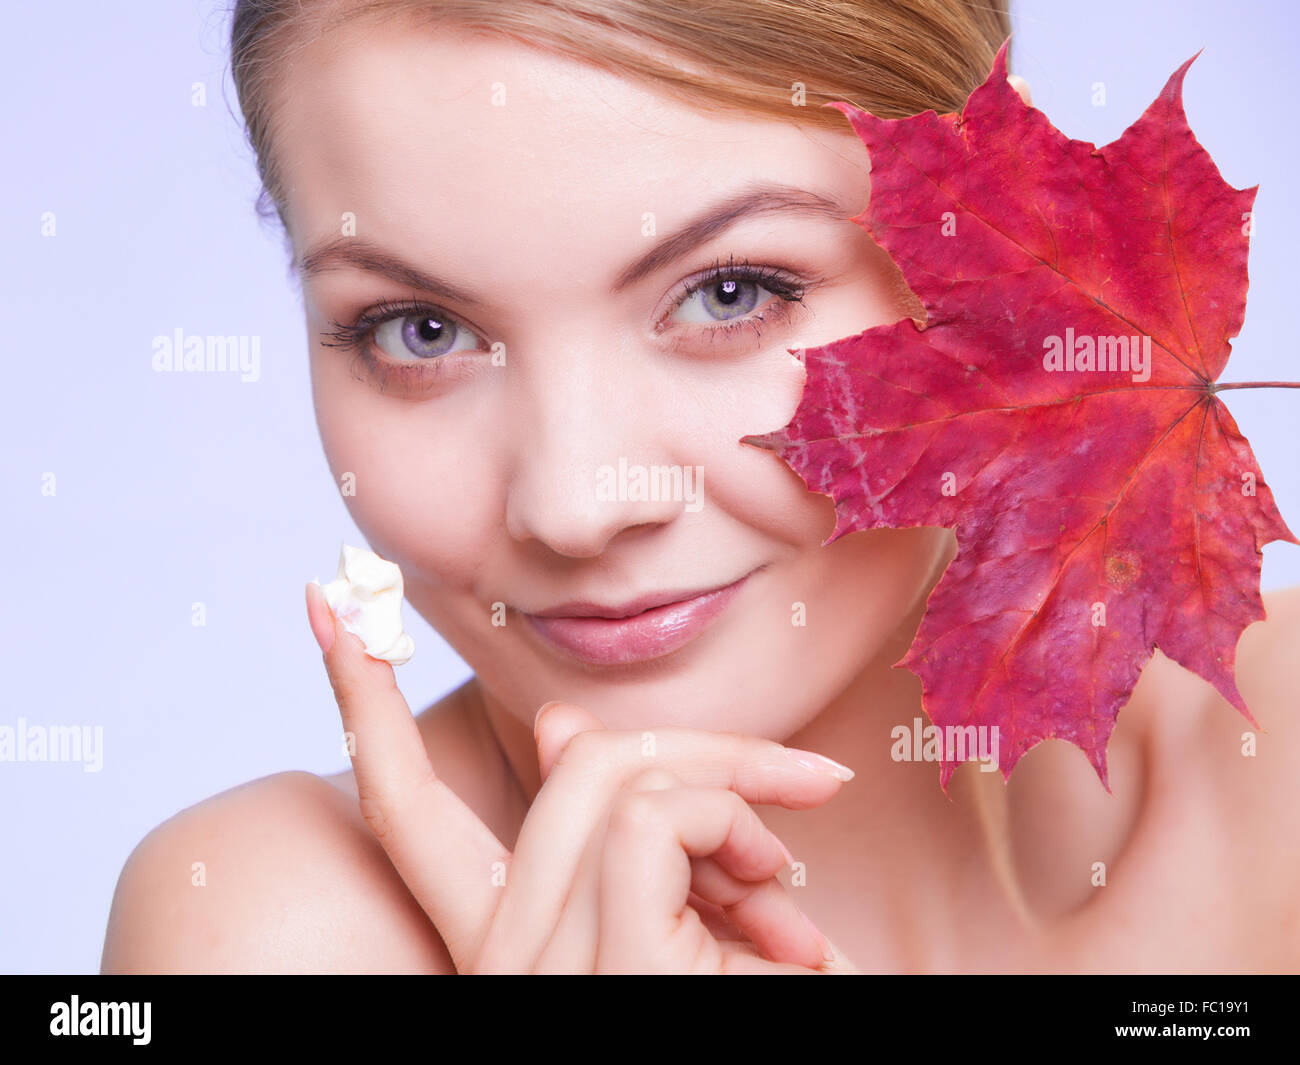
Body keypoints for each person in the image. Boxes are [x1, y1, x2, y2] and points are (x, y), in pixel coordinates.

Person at [101, 0, 1300, 973]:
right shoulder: (274, 934)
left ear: (1021, 229)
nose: (574, 503)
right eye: (418, 330)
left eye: (732, 292)